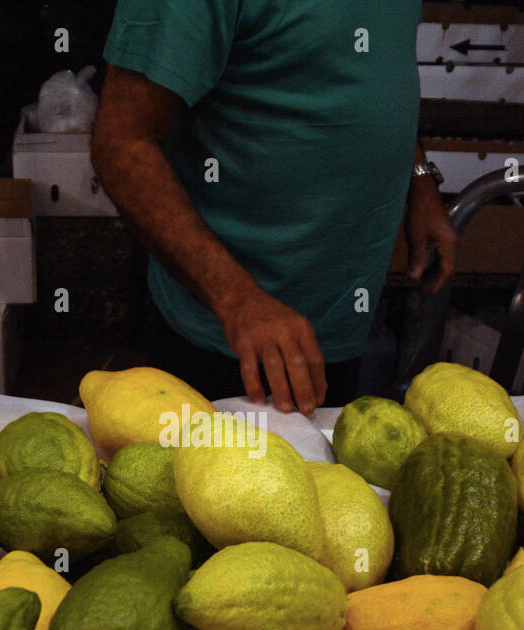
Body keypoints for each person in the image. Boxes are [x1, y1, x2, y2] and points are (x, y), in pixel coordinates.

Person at [91, 0, 457, 415]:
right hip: (229, 335)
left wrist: (420, 178)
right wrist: (238, 300)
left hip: (345, 316)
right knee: (218, 476)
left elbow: (360, 68)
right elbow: (121, 143)